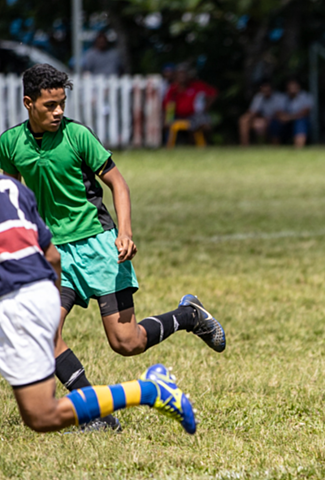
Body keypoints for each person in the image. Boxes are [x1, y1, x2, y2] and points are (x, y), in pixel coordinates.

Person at [0, 64, 226, 431]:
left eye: (62, 103)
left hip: (98, 243)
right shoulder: (10, 144)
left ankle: (189, 316)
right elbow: (12, 197)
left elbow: (117, 184)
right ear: (28, 103)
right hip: (55, 254)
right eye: (50, 105)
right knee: (46, 335)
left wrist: (125, 232)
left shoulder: (78, 136)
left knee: (127, 342)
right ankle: (96, 414)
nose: (58, 112)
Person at [0, 176, 196, 434]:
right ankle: (138, 396)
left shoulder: (76, 138)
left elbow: (117, 181)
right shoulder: (11, 188)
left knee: (44, 413)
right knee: (41, 415)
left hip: (18, 298)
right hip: (34, 290)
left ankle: (152, 388)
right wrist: (50, 299)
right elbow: (51, 256)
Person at [162, 64, 217, 139]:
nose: (182, 76)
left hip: (195, 115)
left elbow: (213, 94)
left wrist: (206, 107)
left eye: (184, 73)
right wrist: (168, 119)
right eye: (180, 74)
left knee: (205, 125)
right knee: (165, 124)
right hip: (178, 116)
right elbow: (169, 105)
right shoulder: (173, 89)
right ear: (176, 76)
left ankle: (205, 144)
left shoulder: (197, 85)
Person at [239, 80, 287, 146]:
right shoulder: (259, 97)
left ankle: (268, 145)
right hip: (262, 119)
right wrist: (247, 117)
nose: (265, 90)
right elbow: (253, 112)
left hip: (274, 119)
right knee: (244, 120)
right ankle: (244, 146)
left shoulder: (278, 97)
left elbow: (279, 114)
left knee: (268, 124)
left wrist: (266, 120)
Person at [276, 79, 312, 149]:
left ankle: (298, 148)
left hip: (299, 120)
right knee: (275, 123)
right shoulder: (282, 97)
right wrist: (283, 117)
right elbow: (278, 112)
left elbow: (305, 112)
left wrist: (289, 118)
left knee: (301, 122)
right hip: (285, 122)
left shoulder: (305, 96)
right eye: (290, 88)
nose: (292, 90)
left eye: (294, 87)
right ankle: (275, 148)